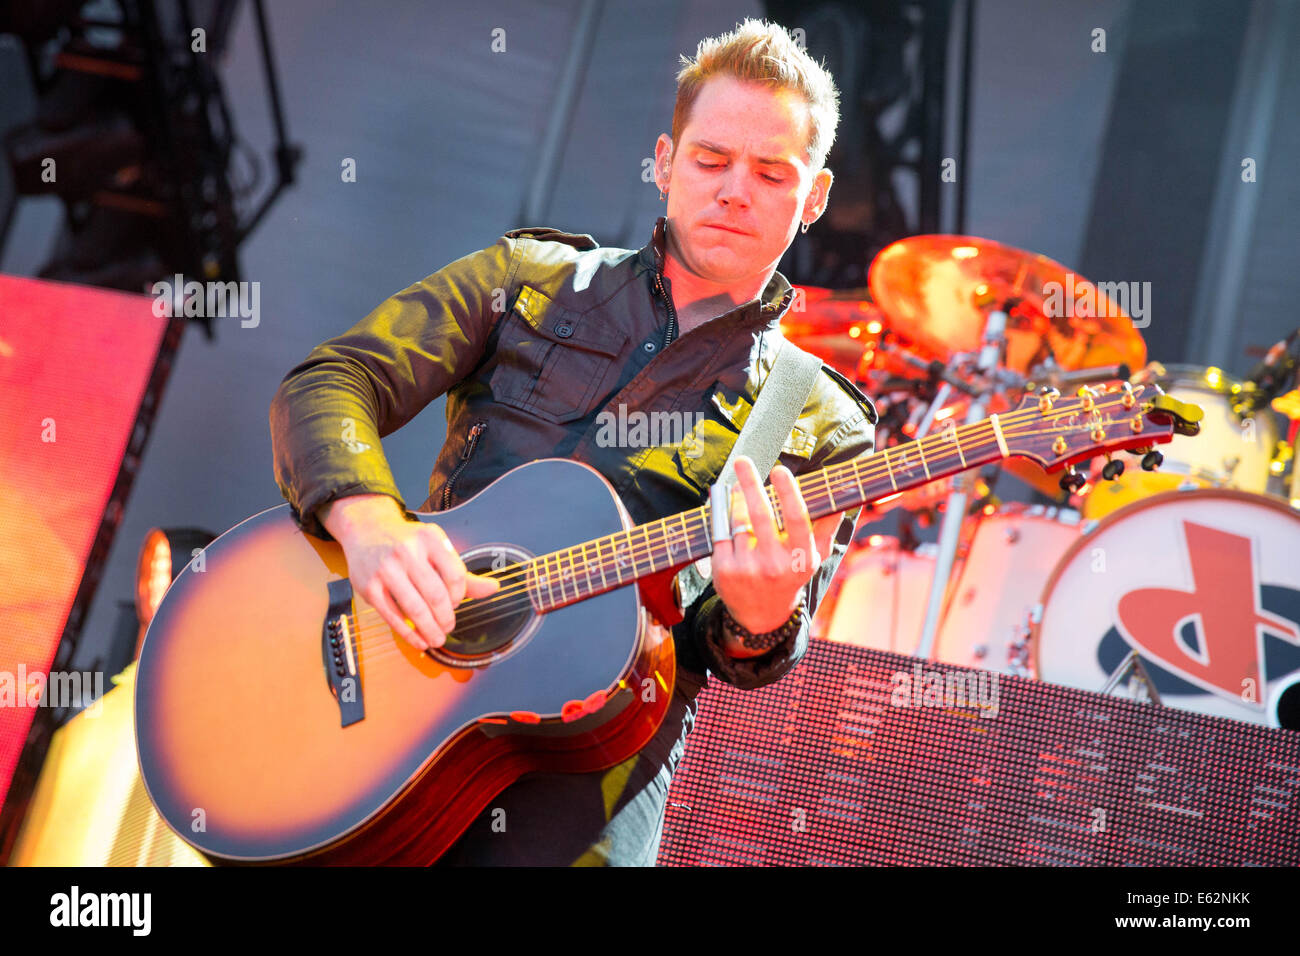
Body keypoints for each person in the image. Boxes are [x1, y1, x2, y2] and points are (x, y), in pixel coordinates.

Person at [268, 18, 877, 866]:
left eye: (772, 173)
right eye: (710, 161)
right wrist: (370, 526)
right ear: (664, 162)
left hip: (587, 780)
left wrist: (763, 617)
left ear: (812, 198)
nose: (736, 190)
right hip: (399, 675)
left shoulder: (822, 420)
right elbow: (331, 381)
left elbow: (730, 650)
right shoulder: (528, 276)